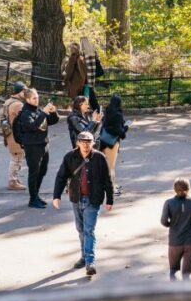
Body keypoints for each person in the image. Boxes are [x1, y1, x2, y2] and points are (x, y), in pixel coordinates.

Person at [52, 131, 113, 276]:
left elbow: (107, 180)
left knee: (88, 230)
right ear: (77, 143)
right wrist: (56, 196)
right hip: (76, 198)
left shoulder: (99, 157)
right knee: (80, 230)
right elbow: (61, 176)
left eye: (88, 142)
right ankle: (84, 256)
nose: (86, 145)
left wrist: (110, 199)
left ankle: (90, 262)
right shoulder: (70, 157)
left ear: (93, 143)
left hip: (93, 199)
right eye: (83, 142)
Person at [19, 88, 59, 209]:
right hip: (32, 146)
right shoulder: (25, 113)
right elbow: (34, 125)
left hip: (43, 144)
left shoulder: (38, 110)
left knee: (42, 171)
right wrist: (44, 113)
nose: (37, 100)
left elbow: (52, 121)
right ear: (27, 99)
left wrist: (53, 112)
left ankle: (36, 195)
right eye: (34, 98)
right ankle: (32, 199)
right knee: (34, 173)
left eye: (37, 97)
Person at [161, 178, 191, 281]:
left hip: (175, 241)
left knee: (173, 270)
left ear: (174, 189)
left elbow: (163, 221)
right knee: (186, 274)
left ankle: (174, 293)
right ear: (189, 188)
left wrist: (171, 224)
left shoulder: (168, 203)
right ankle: (188, 294)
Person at [0, 82, 28, 191]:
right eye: (24, 91)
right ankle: (13, 181)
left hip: (9, 134)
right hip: (16, 135)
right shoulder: (18, 105)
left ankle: (15, 179)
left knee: (16, 157)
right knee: (16, 158)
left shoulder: (8, 101)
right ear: (19, 92)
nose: (26, 93)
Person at [100, 95, 127, 196]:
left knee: (108, 165)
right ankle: (112, 189)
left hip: (104, 140)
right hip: (112, 142)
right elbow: (118, 131)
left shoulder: (107, 111)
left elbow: (107, 125)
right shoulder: (118, 114)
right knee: (111, 166)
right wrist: (126, 128)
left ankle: (113, 185)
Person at [80, 37, 101, 112]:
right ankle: (95, 109)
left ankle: (92, 109)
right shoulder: (93, 51)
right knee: (90, 93)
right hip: (92, 76)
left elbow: (83, 65)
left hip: (86, 77)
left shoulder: (83, 53)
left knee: (87, 94)